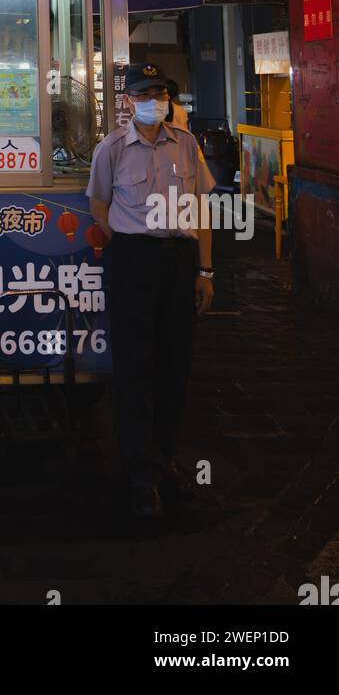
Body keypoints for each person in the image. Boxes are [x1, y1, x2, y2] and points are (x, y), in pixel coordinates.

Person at [86, 62, 215, 520]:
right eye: (143, 94)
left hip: (179, 261)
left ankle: (166, 461)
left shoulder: (187, 145)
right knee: (134, 367)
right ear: (128, 101)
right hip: (133, 261)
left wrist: (206, 270)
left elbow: (200, 209)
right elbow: (98, 203)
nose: (152, 100)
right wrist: (124, 241)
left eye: (159, 93)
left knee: (174, 366)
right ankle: (140, 474)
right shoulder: (113, 149)